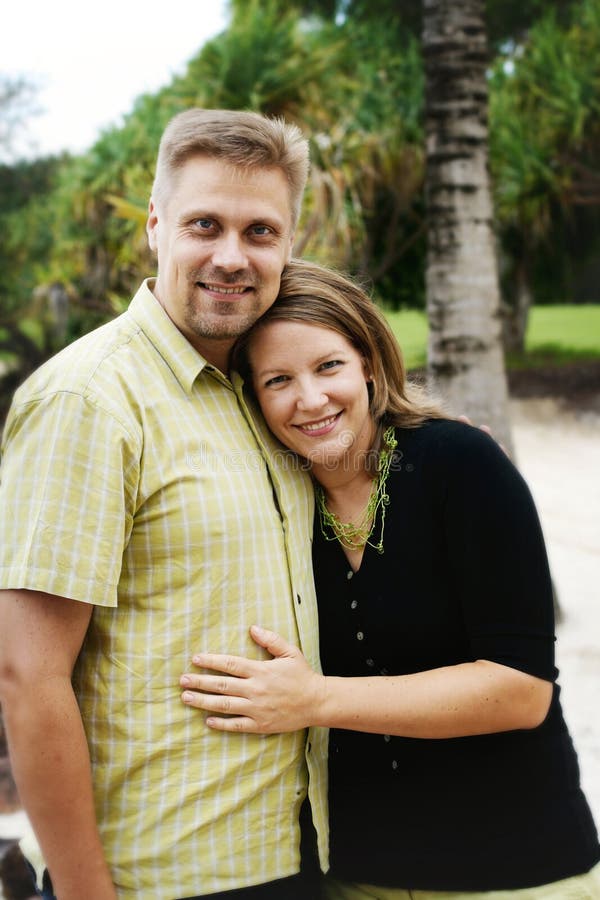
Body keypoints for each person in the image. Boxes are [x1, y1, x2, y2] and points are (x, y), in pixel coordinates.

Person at [180, 259, 600, 899]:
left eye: (329, 366)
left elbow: (522, 690)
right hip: (357, 877)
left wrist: (314, 699)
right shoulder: (275, 508)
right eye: (277, 380)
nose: (311, 399)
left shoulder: (460, 464)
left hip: (519, 870)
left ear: (369, 365)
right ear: (253, 399)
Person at [0, 110, 329, 899]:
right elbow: (27, 675)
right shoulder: (90, 401)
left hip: (296, 852)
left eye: (260, 231)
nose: (231, 256)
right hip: (161, 876)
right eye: (204, 224)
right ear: (156, 225)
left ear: (289, 242)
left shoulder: (268, 390)